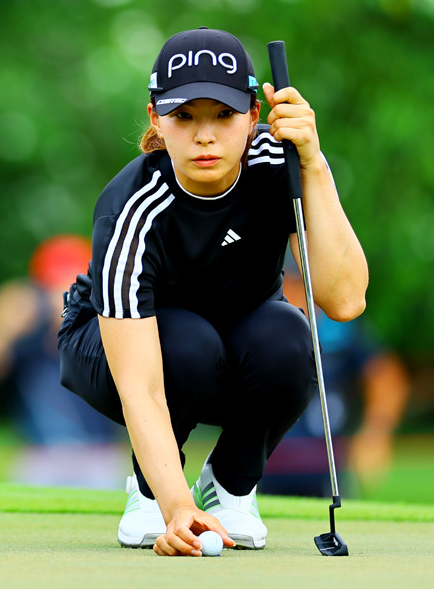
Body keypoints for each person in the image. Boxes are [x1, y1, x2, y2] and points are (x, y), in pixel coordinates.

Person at [59, 27, 368, 556]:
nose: (205, 136)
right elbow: (142, 388)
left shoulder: (281, 165)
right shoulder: (131, 205)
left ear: (253, 115)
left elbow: (344, 300)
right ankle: (150, 494)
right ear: (157, 118)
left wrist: (315, 164)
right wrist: (175, 506)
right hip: (111, 350)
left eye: (224, 115)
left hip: (231, 344)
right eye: (185, 117)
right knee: (188, 341)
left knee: (288, 334)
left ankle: (230, 488)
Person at [0, 235, 124, 488]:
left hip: (100, 452)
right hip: (38, 454)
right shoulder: (28, 330)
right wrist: (2, 321)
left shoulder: (112, 321)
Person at [259, 256, 408, 497]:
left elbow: (385, 376)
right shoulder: (261, 326)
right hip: (265, 466)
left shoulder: (340, 329)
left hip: (326, 466)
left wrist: (375, 433)